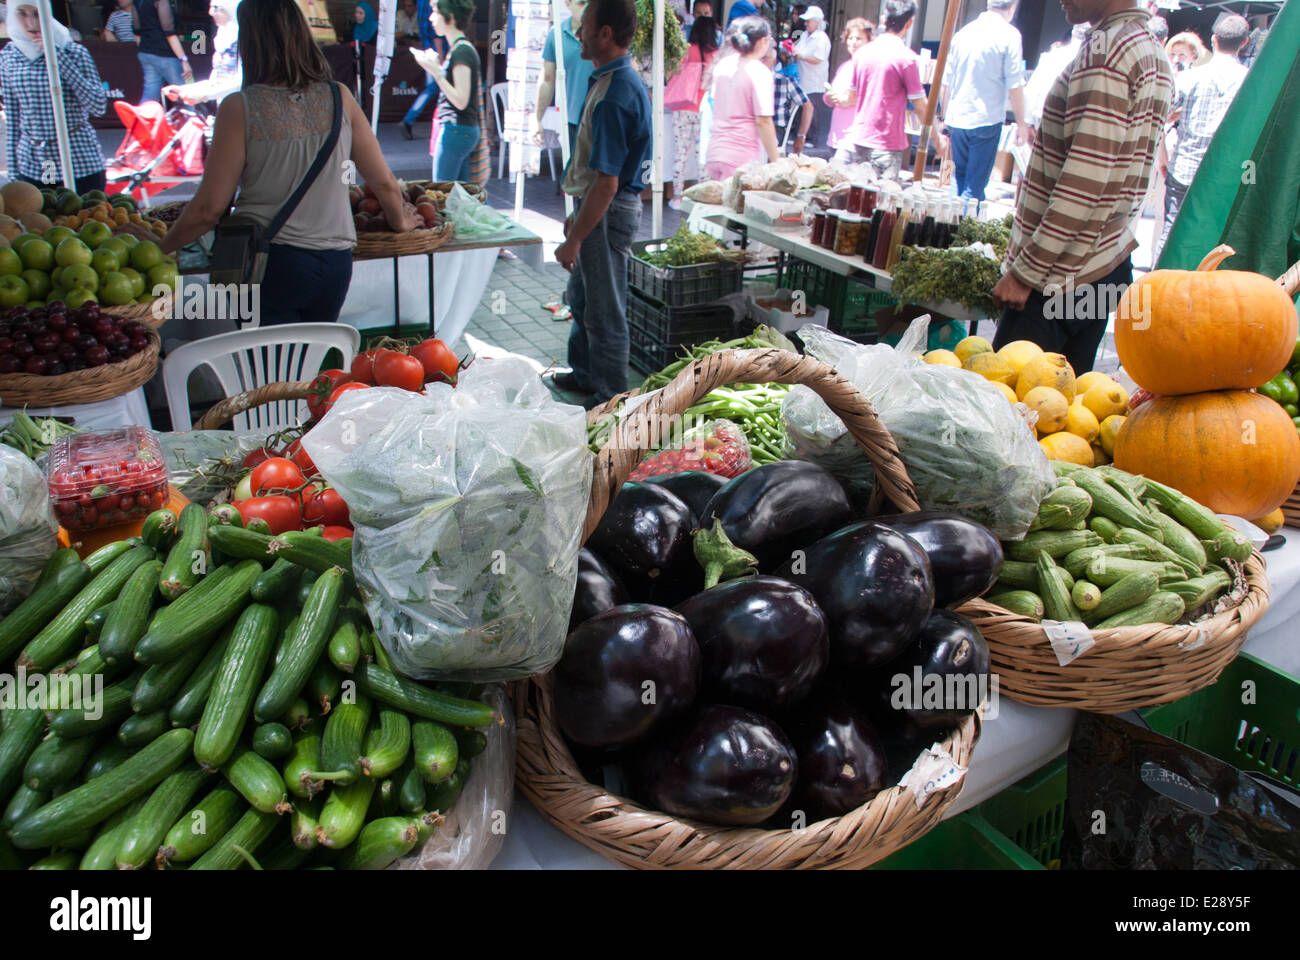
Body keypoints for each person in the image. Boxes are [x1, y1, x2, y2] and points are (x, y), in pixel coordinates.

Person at [158, 0, 415, 326]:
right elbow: (384, 184)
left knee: (269, 370)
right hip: (334, 266)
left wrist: (160, 249)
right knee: (311, 365)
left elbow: (209, 208)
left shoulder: (239, 107)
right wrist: (402, 221)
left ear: (250, 42)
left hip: (269, 264)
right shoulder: (340, 97)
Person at [991, 0, 1173, 375]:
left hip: (1059, 276)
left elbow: (1084, 183)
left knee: (1006, 414)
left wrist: (1025, 273)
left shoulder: (1108, 53)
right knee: (1065, 417)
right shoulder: (1148, 47)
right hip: (1103, 263)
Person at [551, 0, 652, 406]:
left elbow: (607, 185)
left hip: (607, 212)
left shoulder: (615, 93)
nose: (579, 34)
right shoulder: (612, 80)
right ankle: (585, 374)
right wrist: (577, 223)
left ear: (606, 33)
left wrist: (575, 238)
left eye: (586, 26)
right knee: (582, 299)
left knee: (606, 312)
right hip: (597, 209)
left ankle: (613, 400)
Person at [1155, 14, 1249, 261]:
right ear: (1245, 42)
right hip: (1224, 174)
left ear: (1214, 40)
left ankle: (1155, 288)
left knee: (1170, 231)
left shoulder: (1190, 77)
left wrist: (1162, 157)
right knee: (1213, 240)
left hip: (1184, 167)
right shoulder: (1249, 82)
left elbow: (1157, 118)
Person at [2, 3, 107, 194]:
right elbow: (13, 118)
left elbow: (98, 106)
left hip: (79, 157)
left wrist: (56, 57)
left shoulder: (73, 52)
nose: (31, 23)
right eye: (22, 14)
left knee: (86, 218)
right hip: (37, 162)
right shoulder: (9, 57)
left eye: (36, 13)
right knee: (44, 219)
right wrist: (13, 174)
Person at [933, 0, 1028, 203]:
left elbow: (946, 82)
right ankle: (962, 232)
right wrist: (1021, 123)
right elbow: (1015, 83)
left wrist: (945, 117)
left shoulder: (963, 34)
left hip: (957, 118)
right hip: (987, 118)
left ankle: (949, 230)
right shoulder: (1010, 35)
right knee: (973, 190)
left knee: (957, 183)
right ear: (1013, 7)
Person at [843, 0, 932, 181]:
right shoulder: (907, 59)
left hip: (859, 139)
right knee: (882, 201)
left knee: (855, 198)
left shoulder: (861, 54)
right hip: (888, 143)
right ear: (909, 23)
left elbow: (851, 98)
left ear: (883, 19)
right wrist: (936, 138)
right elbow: (920, 106)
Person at [704, 16, 777, 181]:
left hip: (715, 152)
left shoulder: (723, 65)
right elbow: (763, 121)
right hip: (741, 157)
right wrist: (777, 161)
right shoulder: (759, 72)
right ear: (763, 41)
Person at [415, 0, 479, 181]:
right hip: (460, 129)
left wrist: (436, 72)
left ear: (449, 16)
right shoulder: (460, 50)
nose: (431, 17)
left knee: (442, 194)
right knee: (462, 197)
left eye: (435, 11)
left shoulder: (462, 52)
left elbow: (460, 99)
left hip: (456, 129)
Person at [669, 15, 718, 208]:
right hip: (704, 108)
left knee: (680, 154)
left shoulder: (686, 50)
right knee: (702, 155)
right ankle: (702, 197)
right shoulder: (716, 55)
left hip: (682, 107)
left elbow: (672, 74)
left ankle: (677, 196)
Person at [533, 0, 593, 159]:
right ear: (568, 3)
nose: (587, 8)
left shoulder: (608, 34)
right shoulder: (557, 35)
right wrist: (537, 118)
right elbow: (547, 79)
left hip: (605, 121)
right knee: (575, 179)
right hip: (573, 123)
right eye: (581, 3)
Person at [162, 0, 242, 106]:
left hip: (240, 111)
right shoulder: (223, 39)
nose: (210, 12)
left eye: (217, 7)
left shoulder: (245, 41)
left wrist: (203, 95)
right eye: (211, 7)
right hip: (225, 109)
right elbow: (216, 82)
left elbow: (242, 83)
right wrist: (183, 90)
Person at [1023, 23, 1088, 128]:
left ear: (1072, 33)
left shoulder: (1051, 56)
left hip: (1044, 118)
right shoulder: (1093, 62)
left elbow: (1032, 91)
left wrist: (1027, 124)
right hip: (1074, 123)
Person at [824, 18, 869, 157]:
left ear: (868, 41)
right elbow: (829, 96)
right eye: (850, 38)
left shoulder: (868, 67)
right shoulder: (844, 66)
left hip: (853, 139)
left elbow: (871, 98)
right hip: (836, 136)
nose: (853, 42)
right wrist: (829, 97)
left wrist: (848, 100)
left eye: (859, 38)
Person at [136, 0, 191, 105]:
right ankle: (190, 120)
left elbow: (137, 30)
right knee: (185, 94)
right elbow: (169, 32)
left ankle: (141, 120)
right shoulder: (161, 1)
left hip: (146, 52)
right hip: (165, 54)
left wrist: (144, 49)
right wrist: (184, 60)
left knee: (150, 96)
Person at [401, 0, 440, 139]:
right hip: (436, 51)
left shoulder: (421, 3)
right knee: (436, 88)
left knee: (432, 88)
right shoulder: (431, 3)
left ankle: (409, 119)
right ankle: (409, 119)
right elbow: (437, 33)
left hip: (427, 48)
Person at [792, 4, 830, 149]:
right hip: (802, 78)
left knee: (812, 110)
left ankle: (812, 139)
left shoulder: (822, 38)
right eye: (805, 20)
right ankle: (798, 134)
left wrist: (800, 56)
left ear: (817, 21)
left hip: (815, 80)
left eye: (809, 20)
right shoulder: (804, 35)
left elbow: (817, 59)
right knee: (801, 108)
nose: (806, 23)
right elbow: (799, 50)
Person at [769, 44, 811, 155]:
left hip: (775, 129)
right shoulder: (751, 80)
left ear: (775, 61)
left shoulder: (785, 81)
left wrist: (801, 136)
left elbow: (808, 106)